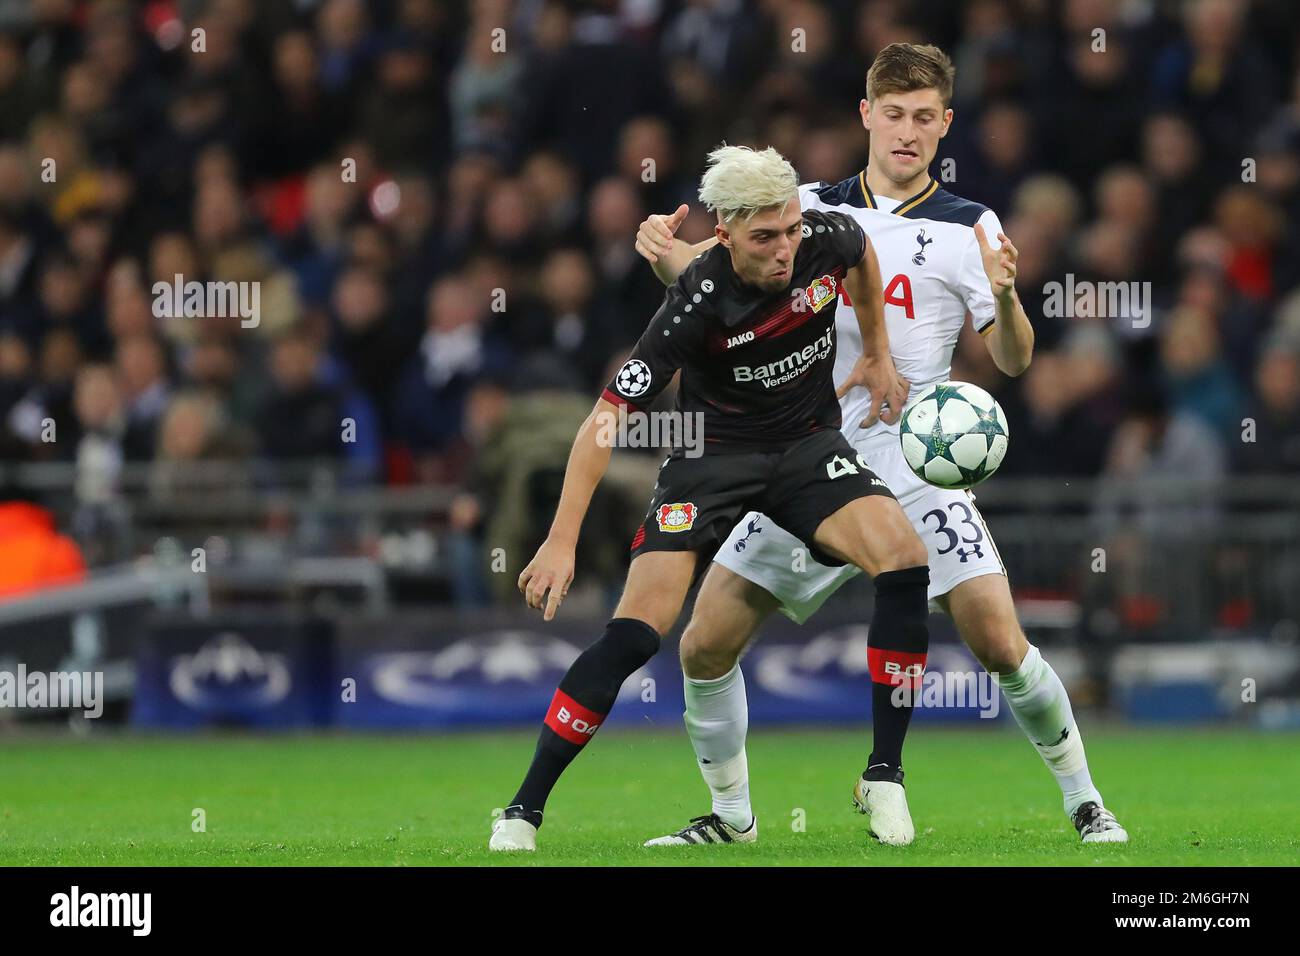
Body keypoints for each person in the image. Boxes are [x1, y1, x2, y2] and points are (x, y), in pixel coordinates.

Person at [634, 43, 1127, 846]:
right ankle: (732, 819)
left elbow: (1012, 358)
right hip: (803, 450)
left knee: (1000, 640)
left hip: (918, 457)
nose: (907, 131)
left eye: (924, 118)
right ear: (866, 115)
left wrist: (1005, 297)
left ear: (945, 125)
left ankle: (1084, 800)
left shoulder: (971, 226)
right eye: (892, 114)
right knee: (703, 645)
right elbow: (722, 292)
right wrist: (672, 260)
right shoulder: (803, 205)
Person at [490, 143, 931, 851]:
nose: (786, 248)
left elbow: (861, 260)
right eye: (766, 237)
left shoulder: (826, 235)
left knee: (905, 560)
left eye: (791, 227)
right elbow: (605, 419)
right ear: (725, 236)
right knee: (638, 631)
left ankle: (883, 773)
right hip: (711, 462)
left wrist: (876, 349)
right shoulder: (694, 299)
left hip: (808, 449)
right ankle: (522, 809)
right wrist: (561, 538)